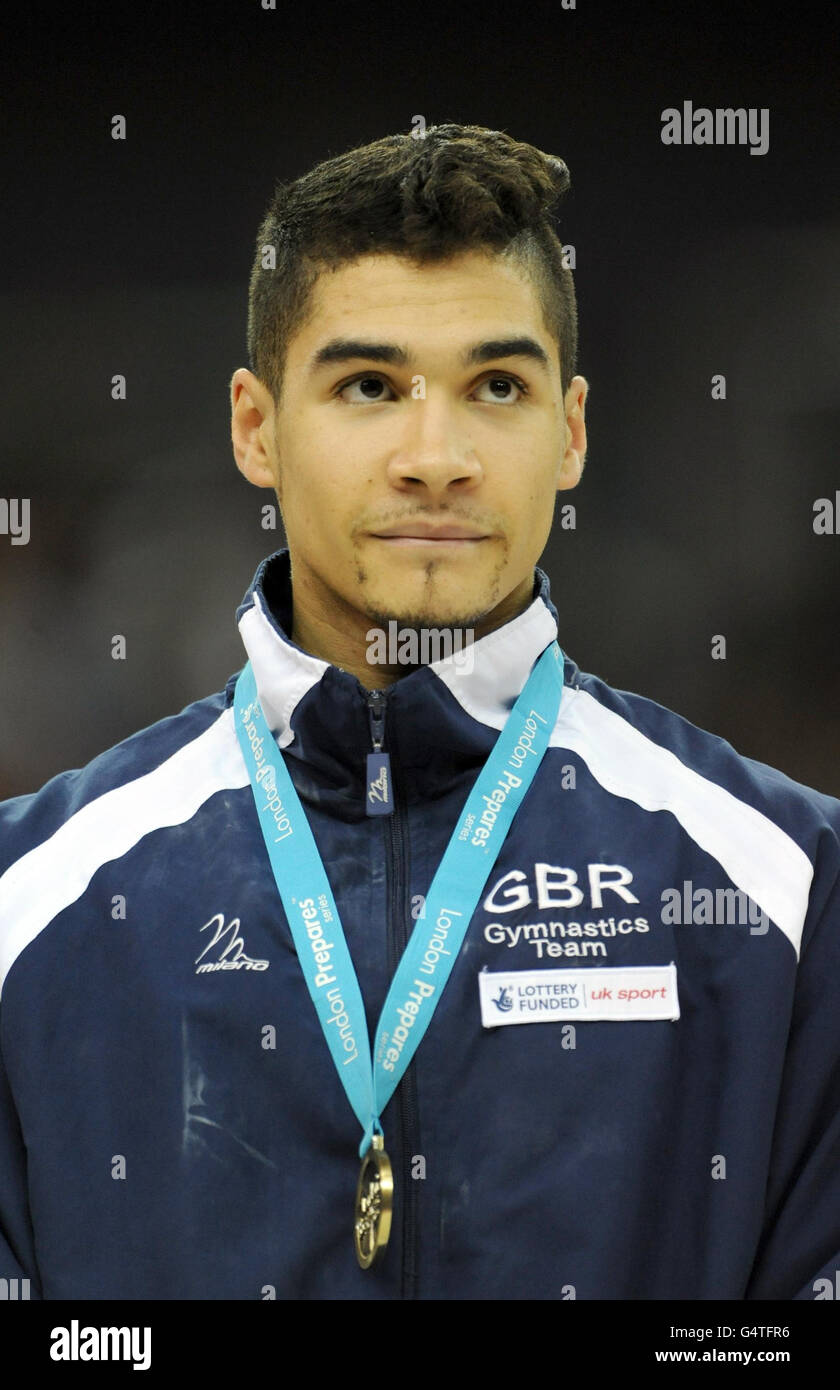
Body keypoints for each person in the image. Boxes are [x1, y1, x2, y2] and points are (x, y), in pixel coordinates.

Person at [0, 123, 838, 1302]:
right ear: (256, 428)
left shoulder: (796, 891)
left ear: (573, 432)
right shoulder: (27, 901)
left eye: (497, 385)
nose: (433, 456)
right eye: (368, 386)